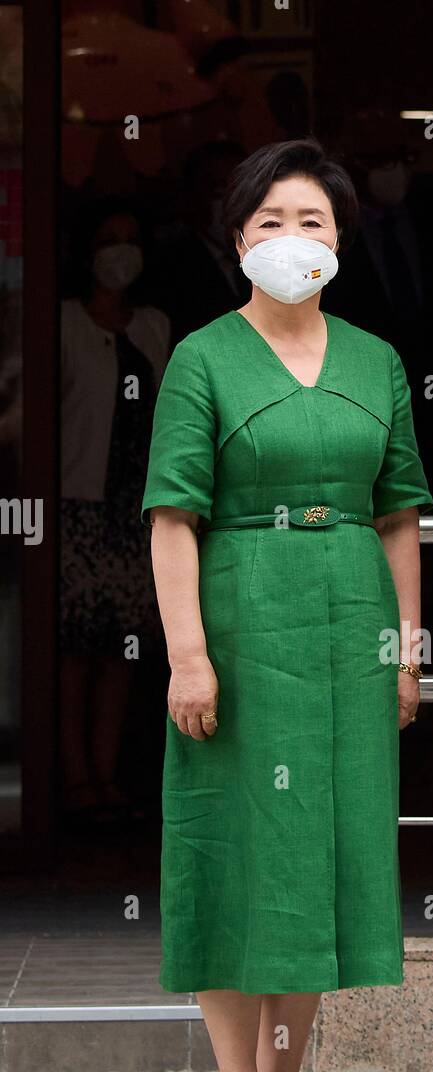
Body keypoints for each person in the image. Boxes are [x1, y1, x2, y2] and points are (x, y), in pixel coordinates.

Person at [141, 139, 433, 1072]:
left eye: (311, 221)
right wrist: (186, 656)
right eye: (268, 222)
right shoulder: (203, 358)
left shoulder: (375, 361)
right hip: (240, 618)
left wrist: (400, 651)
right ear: (235, 241)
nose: (290, 239)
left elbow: (399, 517)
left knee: (325, 862)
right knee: (236, 861)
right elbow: (173, 517)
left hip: (348, 622)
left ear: (341, 241)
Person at [61, 199, 170, 821]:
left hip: (138, 509)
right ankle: (74, 780)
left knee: (124, 648)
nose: (121, 250)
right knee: (77, 645)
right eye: (109, 238)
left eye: (132, 238)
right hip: (79, 504)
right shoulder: (66, 322)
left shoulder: (153, 324)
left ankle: (105, 778)